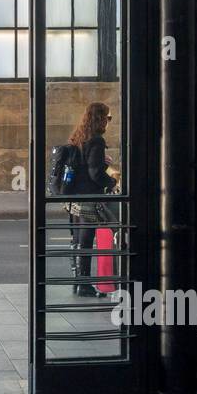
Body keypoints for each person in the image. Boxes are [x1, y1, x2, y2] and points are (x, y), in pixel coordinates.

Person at [66, 102, 118, 298]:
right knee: (87, 241)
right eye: (108, 117)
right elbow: (95, 173)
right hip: (88, 196)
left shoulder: (79, 136)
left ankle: (79, 282)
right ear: (100, 118)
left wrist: (102, 161)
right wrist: (112, 182)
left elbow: (86, 164)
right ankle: (85, 285)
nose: (109, 121)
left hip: (75, 196)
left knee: (79, 240)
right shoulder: (96, 140)